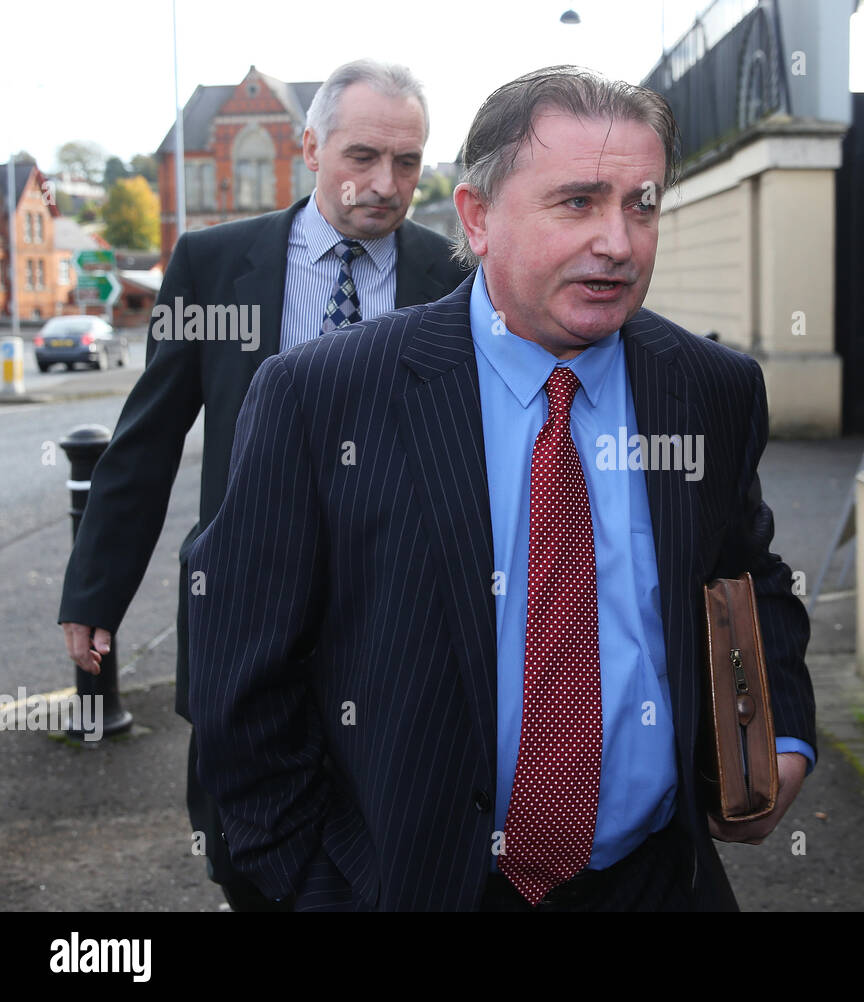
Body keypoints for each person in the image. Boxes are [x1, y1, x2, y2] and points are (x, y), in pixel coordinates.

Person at [186, 65, 817, 911]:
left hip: (654, 880)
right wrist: (315, 884)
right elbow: (239, 674)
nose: (620, 243)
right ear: (479, 218)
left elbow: (749, 576)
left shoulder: (708, 389)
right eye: (579, 202)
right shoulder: (324, 396)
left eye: (642, 204)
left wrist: (783, 735)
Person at [57, 59, 465, 910]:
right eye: (361, 157)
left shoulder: (453, 275)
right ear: (309, 146)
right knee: (243, 853)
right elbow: (145, 439)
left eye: (406, 163)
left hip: (394, 621)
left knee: (389, 845)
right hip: (245, 614)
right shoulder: (211, 265)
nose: (383, 185)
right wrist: (94, 591)